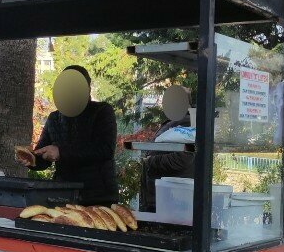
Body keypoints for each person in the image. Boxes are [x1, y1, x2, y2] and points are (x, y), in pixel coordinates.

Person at [20, 65, 118, 205]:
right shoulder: (54, 118)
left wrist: (61, 152)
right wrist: (32, 160)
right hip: (64, 194)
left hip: (99, 196)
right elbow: (43, 156)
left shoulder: (102, 111)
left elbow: (106, 149)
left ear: (88, 89)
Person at [139, 113, 195, 212]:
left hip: (171, 199)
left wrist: (151, 161)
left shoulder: (188, 121)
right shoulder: (177, 120)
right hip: (160, 197)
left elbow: (184, 158)